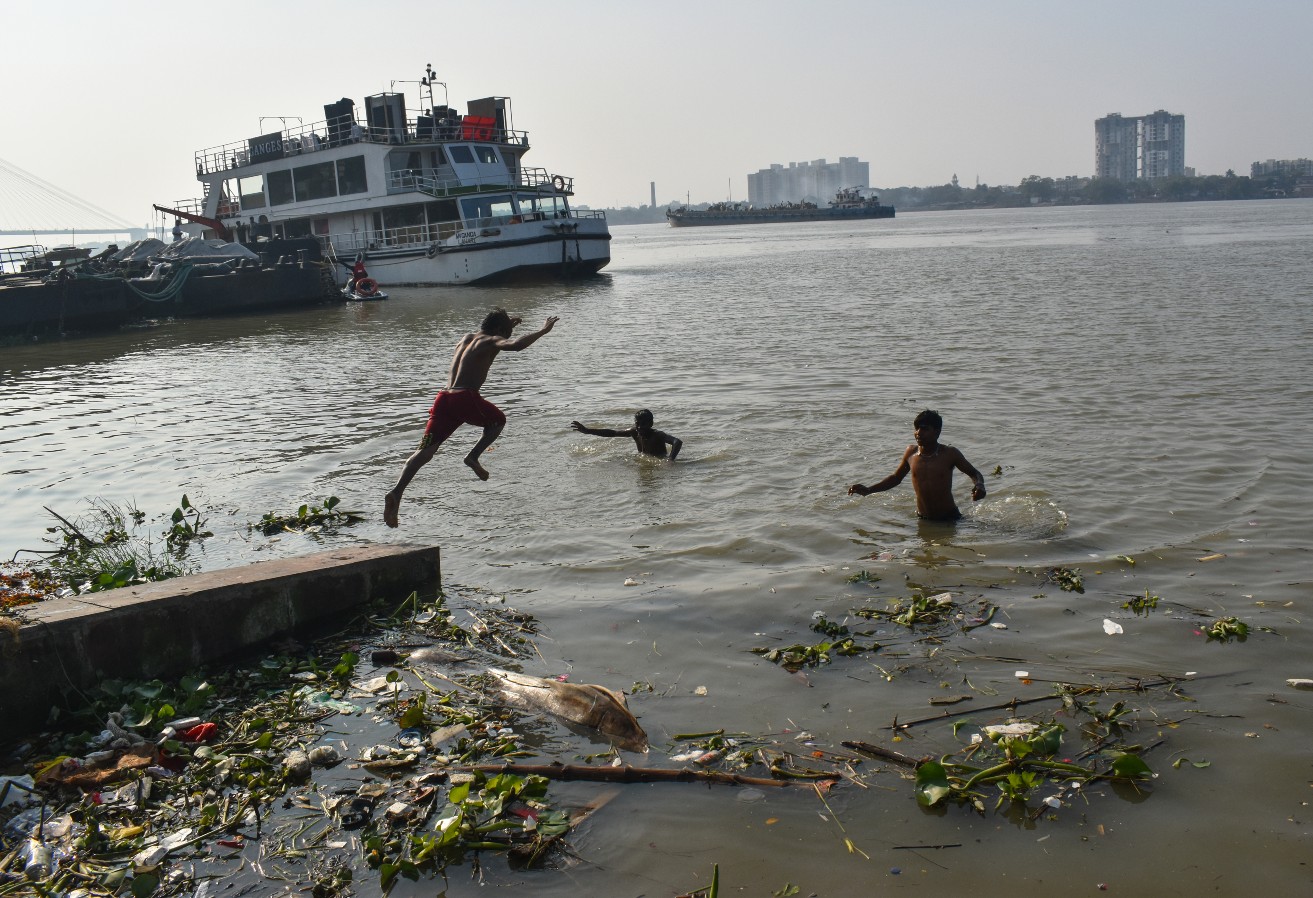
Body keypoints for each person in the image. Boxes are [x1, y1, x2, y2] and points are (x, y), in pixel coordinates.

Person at [384, 309, 559, 528]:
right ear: (498, 330)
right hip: (465, 397)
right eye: (504, 332)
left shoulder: (465, 339)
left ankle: (397, 492)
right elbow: (516, 345)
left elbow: (498, 337)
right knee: (498, 421)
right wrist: (543, 330)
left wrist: (507, 327)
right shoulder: (492, 340)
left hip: (443, 399)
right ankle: (473, 457)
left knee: (424, 451)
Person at [848, 409, 986, 521]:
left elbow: (975, 473)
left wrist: (979, 485)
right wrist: (869, 490)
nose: (918, 433)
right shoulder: (911, 452)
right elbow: (896, 478)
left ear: (937, 432)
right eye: (917, 428)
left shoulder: (949, 454)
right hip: (922, 518)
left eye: (924, 429)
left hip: (949, 518)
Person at [571, 410, 682, 460]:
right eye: (637, 424)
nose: (639, 427)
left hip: (659, 459)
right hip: (644, 458)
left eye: (643, 425)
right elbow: (613, 433)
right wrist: (587, 430)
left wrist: (670, 460)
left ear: (651, 424)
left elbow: (677, 442)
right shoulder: (634, 432)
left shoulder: (658, 435)